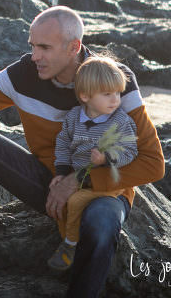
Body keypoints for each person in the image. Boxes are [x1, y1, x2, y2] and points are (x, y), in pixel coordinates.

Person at [0, 6, 164, 298]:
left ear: (74, 47)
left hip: (103, 193)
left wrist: (78, 182)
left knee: (101, 225)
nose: (35, 56)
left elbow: (153, 165)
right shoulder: (24, 74)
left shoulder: (115, 81)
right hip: (44, 182)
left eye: (45, 48)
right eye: (33, 46)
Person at [47, 56, 138, 271]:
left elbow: (130, 150)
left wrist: (106, 159)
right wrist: (60, 172)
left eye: (117, 92)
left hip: (108, 182)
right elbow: (62, 144)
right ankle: (70, 235)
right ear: (85, 96)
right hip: (78, 176)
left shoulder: (120, 121)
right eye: (107, 94)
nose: (115, 100)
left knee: (76, 201)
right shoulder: (73, 118)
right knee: (61, 201)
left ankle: (69, 246)